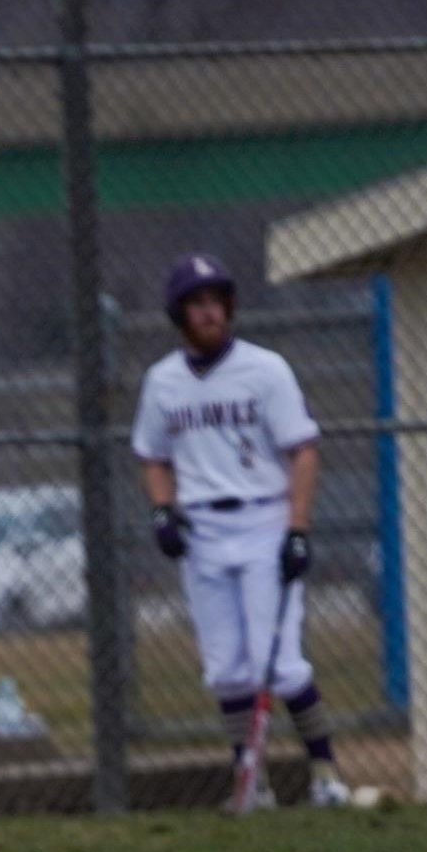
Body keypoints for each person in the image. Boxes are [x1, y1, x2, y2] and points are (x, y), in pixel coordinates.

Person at [131, 254, 351, 810]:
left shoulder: (265, 369)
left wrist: (297, 529)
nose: (208, 313)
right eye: (196, 304)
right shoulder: (163, 381)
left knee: (277, 663)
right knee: (227, 669)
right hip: (203, 528)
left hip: (262, 520)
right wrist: (164, 511)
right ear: (179, 315)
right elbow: (153, 455)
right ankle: (251, 783)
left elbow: (302, 450)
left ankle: (325, 774)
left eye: (215, 302)